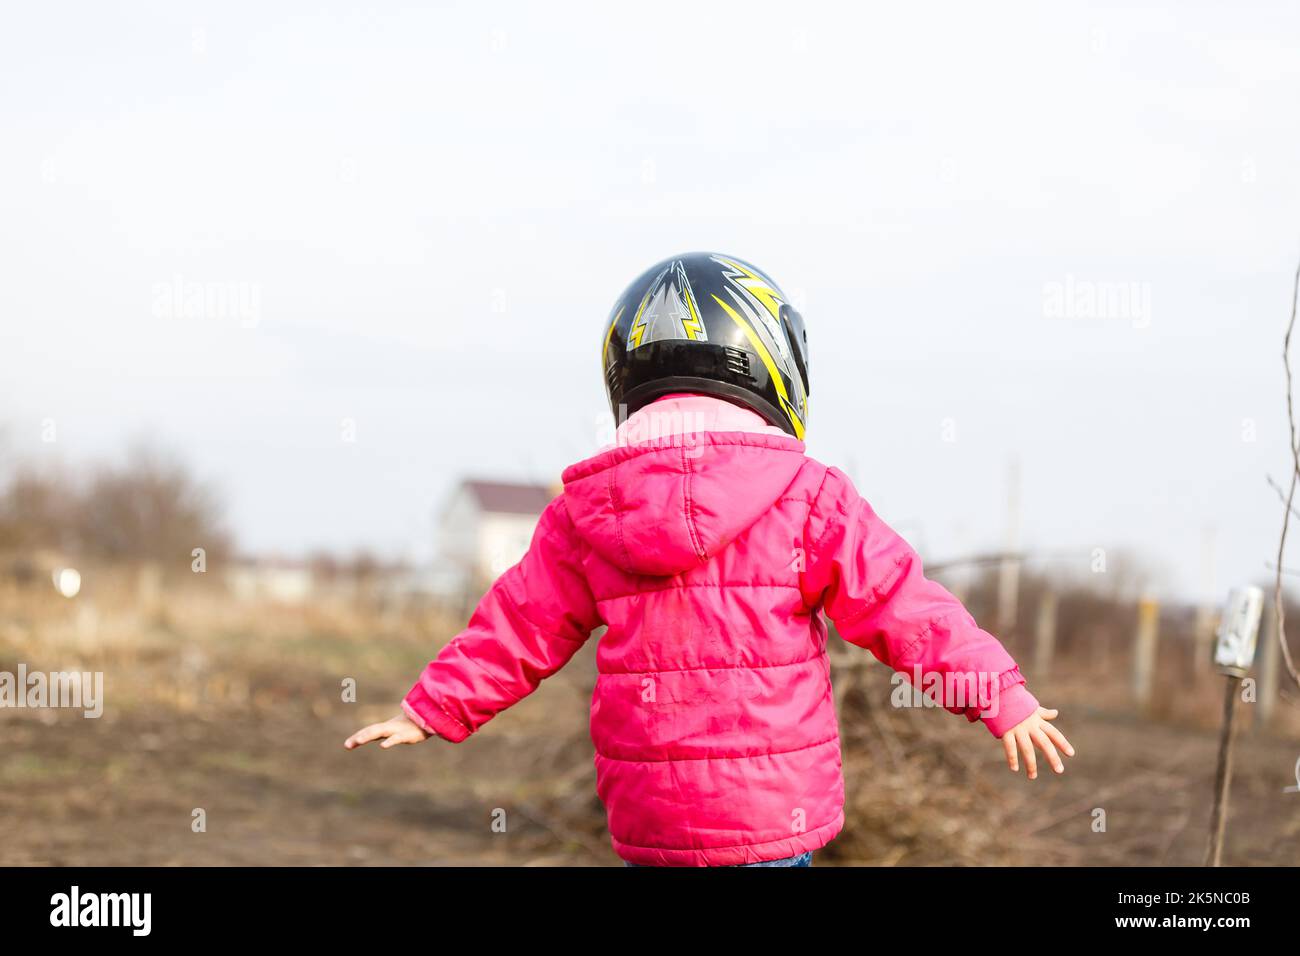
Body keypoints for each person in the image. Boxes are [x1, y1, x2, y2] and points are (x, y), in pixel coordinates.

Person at [346, 252, 1074, 867]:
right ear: (772, 364)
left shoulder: (588, 511)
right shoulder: (808, 495)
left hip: (651, 822)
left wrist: (430, 709)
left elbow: (518, 628)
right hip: (771, 819)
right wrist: (999, 697)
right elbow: (906, 610)